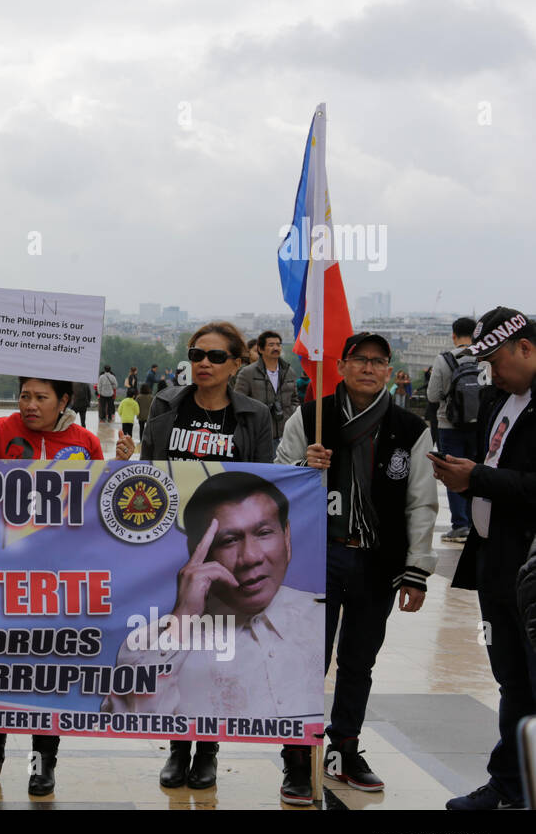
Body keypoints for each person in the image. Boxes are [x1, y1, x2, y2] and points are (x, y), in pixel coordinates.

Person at [276, 332, 436, 803]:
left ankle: (344, 746)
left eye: (378, 361)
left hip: (376, 560)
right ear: (342, 366)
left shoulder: (410, 428)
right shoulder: (311, 418)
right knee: (307, 661)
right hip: (316, 557)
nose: (369, 368)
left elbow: (421, 503)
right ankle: (297, 758)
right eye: (359, 360)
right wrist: (304, 467)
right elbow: (275, 481)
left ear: (389, 370)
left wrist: (417, 569)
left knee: (359, 661)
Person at [0, 354, 102, 796]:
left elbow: (100, 507)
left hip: (58, 579)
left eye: (40, 397)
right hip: (1, 574)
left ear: (63, 400)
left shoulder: (85, 443)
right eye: (25, 395)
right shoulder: (1, 432)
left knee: (47, 674)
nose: (29, 404)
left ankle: (42, 762)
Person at [118, 322, 273, 790]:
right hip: (171, 541)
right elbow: (147, 475)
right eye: (196, 353)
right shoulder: (166, 406)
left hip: (226, 549)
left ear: (236, 364)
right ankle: (177, 745)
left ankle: (207, 748)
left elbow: (264, 479)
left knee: (214, 650)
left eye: (215, 356)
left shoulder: (255, 416)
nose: (203, 362)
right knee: (176, 643)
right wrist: (126, 461)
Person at [105, 473, 324, 776]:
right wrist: (183, 618)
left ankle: (208, 751)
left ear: (286, 535)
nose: (250, 558)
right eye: (229, 540)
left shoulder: (317, 616)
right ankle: (180, 751)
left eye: (263, 532)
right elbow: (135, 715)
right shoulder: (148, 642)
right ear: (200, 553)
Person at [432, 307, 536, 809]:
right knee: (512, 680)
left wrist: (475, 479)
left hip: (531, 566)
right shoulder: (501, 399)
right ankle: (510, 786)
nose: (490, 373)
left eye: (495, 361)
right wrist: (467, 475)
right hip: (498, 564)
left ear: (526, 348)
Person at [426, 317, 480, 543]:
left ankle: (459, 525)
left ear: (453, 335)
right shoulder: (483, 357)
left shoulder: (444, 359)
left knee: (452, 472)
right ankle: (474, 522)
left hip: (449, 424)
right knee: (476, 473)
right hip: (479, 425)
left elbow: (432, 396)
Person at [234, 330, 298, 453]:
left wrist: (290, 416)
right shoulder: (247, 373)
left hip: (285, 435)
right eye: (271, 345)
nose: (276, 348)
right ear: (261, 349)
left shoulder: (289, 372)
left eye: (278, 344)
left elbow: (295, 399)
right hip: (258, 434)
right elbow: (239, 402)